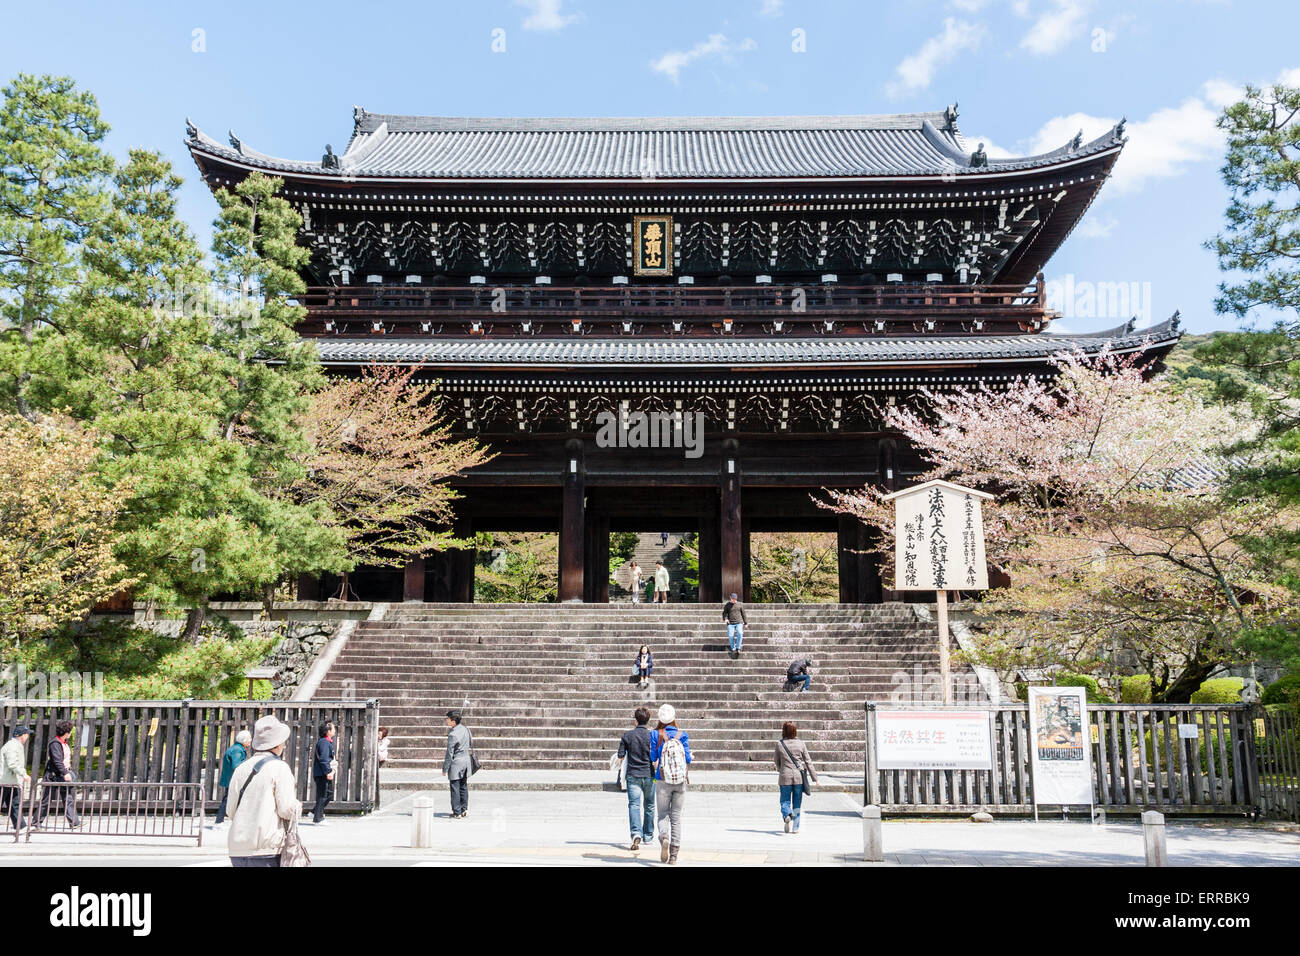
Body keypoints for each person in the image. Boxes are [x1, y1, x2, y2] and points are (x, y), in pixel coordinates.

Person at [226, 714, 301, 867]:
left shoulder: (241, 768)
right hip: (267, 847)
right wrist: (298, 807)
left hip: (238, 847)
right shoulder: (280, 768)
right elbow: (287, 809)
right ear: (279, 744)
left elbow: (230, 810)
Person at [648, 703, 691, 864]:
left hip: (662, 778)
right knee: (676, 817)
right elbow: (686, 758)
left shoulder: (655, 734)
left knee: (663, 814)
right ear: (674, 718)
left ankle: (664, 836)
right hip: (680, 781)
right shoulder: (682, 735)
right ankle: (673, 855)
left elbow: (653, 758)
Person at [617, 707, 656, 851]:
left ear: (635, 720)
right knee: (650, 806)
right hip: (649, 775)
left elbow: (621, 755)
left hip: (633, 775)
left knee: (634, 805)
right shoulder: (653, 736)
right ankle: (648, 836)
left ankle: (635, 833)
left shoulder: (627, 735)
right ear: (648, 720)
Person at [774, 721, 819, 833]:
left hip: (785, 777)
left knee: (784, 801)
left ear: (783, 731)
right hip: (798, 777)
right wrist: (815, 778)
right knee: (797, 802)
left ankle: (787, 814)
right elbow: (808, 761)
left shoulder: (780, 744)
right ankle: (795, 827)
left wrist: (781, 769)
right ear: (795, 731)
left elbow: (776, 761)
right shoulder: (801, 743)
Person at [35, 719, 80, 830]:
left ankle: (74, 822)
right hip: (53, 775)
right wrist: (65, 772)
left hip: (61, 774)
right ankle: (36, 822)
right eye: (70, 731)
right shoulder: (55, 743)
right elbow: (56, 760)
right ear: (67, 732)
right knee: (46, 800)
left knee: (68, 798)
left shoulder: (62, 742)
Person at [213, 729, 251, 827]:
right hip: (233, 779)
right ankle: (219, 821)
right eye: (249, 739)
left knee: (231, 799)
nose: (250, 741)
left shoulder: (237, 748)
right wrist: (249, 765)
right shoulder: (237, 750)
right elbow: (236, 765)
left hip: (232, 779)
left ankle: (222, 820)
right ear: (244, 740)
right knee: (228, 799)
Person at [0, 726, 32, 832]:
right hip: (4, 781)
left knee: (15, 805)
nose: (28, 736)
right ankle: (21, 826)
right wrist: (23, 774)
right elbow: (12, 764)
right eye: (27, 734)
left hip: (10, 781)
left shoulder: (15, 745)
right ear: (21, 735)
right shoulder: (12, 746)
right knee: (13, 804)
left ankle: (21, 826)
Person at [442, 709, 473, 818]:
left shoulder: (453, 734)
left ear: (453, 721)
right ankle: (464, 809)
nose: (446, 720)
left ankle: (457, 811)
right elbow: (471, 742)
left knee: (455, 787)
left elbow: (449, 753)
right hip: (466, 761)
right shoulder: (466, 729)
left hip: (456, 763)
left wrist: (445, 768)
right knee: (463, 785)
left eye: (448, 719)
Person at [311, 721, 336, 825]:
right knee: (323, 795)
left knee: (328, 794)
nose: (334, 730)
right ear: (328, 731)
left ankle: (315, 812)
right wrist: (328, 771)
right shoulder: (324, 742)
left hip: (322, 772)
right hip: (322, 773)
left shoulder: (326, 742)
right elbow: (324, 759)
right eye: (333, 728)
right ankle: (318, 818)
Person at [723, 592, 748, 657]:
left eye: (735, 599)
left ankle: (738, 647)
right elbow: (724, 613)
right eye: (733, 599)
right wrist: (725, 619)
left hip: (739, 622)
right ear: (730, 598)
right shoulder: (727, 605)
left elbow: (744, 614)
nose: (734, 600)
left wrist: (745, 623)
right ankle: (733, 648)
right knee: (731, 635)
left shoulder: (740, 605)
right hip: (730, 623)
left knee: (740, 633)